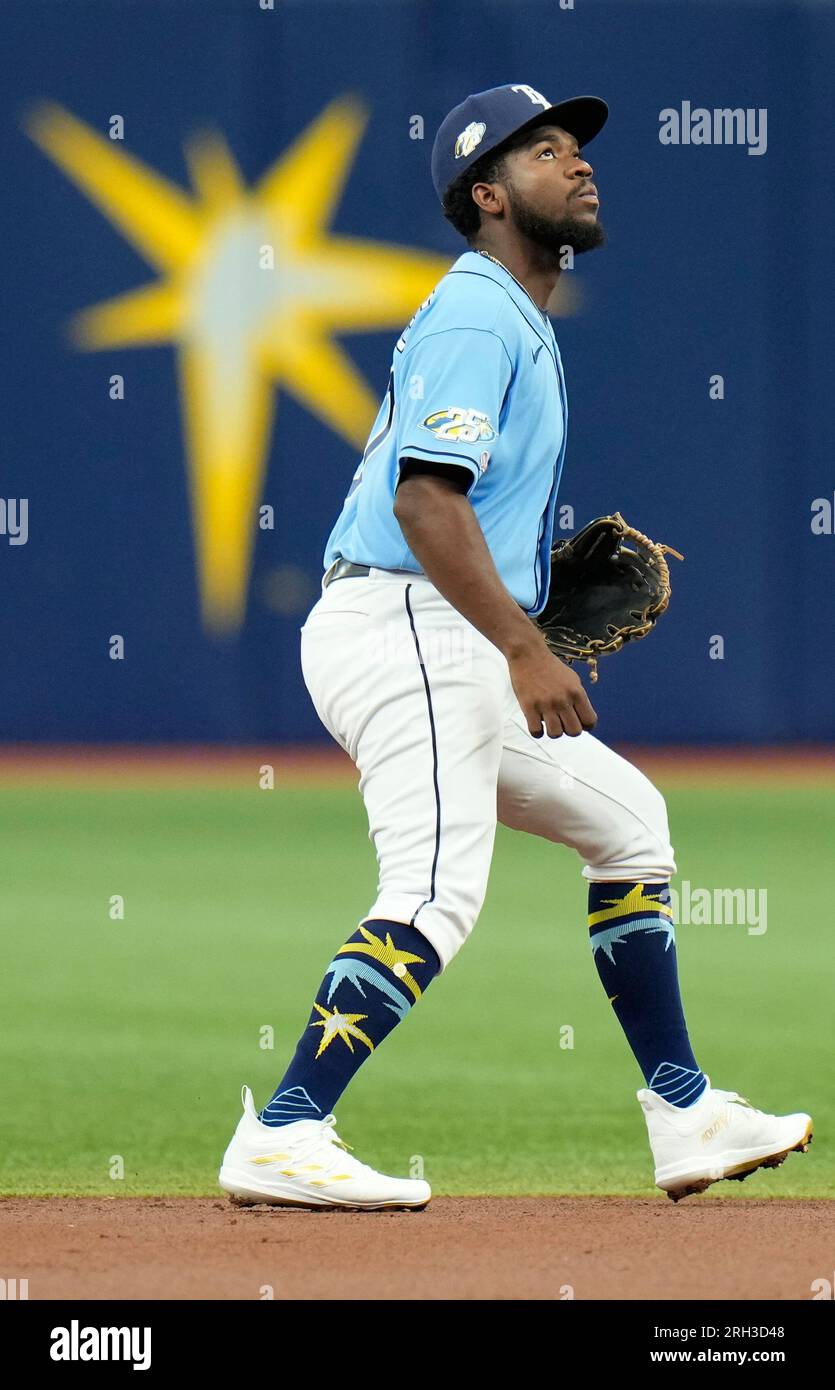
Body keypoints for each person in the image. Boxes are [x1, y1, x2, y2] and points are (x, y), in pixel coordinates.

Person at [219, 83, 812, 1209]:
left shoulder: (518, 320)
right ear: (487, 194)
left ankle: (683, 1115)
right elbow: (425, 504)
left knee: (631, 825)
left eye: (576, 147)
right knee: (436, 886)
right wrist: (526, 647)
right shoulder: (478, 312)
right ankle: (286, 1129)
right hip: (405, 623)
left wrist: (511, 629)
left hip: (438, 631)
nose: (578, 164)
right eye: (542, 152)